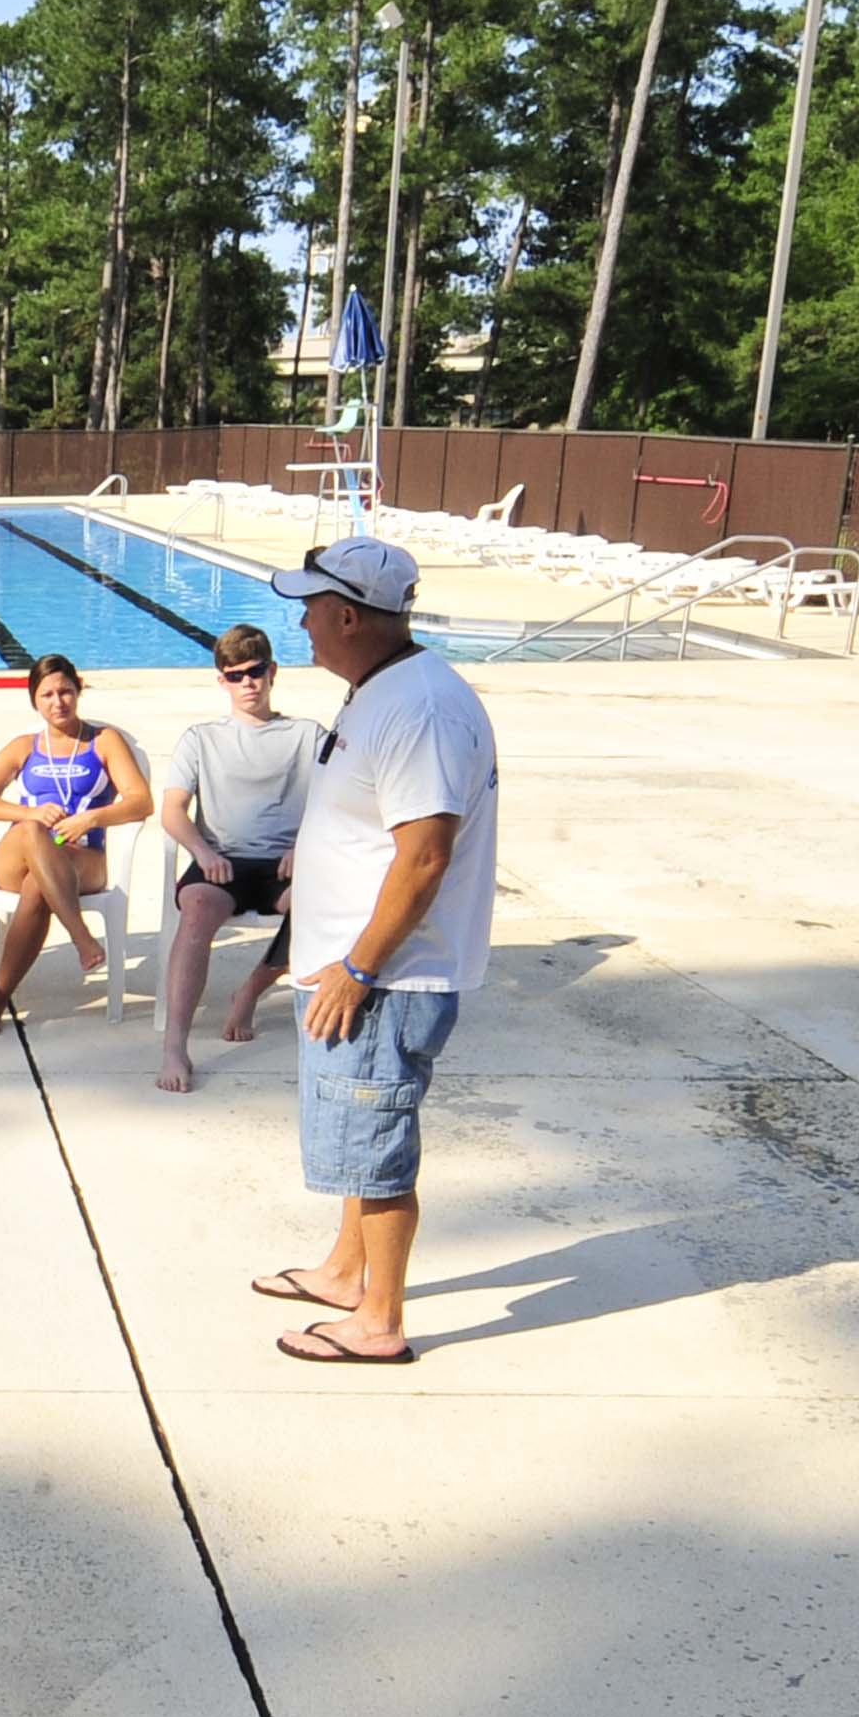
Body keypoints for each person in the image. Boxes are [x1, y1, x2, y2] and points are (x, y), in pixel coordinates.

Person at [255, 535, 499, 1366]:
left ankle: (379, 1321)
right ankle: (344, 1268)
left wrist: (359, 969)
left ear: (351, 615)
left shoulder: (420, 709)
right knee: (359, 1132)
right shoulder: (381, 687)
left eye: (312, 609)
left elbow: (426, 852)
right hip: (354, 969)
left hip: (387, 978)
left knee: (378, 1134)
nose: (303, 626)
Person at [0, 652, 154, 1038]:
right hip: (17, 855)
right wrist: (24, 812)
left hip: (83, 857)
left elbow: (140, 801)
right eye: (47, 695)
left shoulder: (103, 741)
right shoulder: (24, 746)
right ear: (35, 700)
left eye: (65, 691)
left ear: (78, 691)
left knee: (38, 886)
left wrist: (92, 817)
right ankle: (80, 935)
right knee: (32, 833)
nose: (58, 702)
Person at [150, 626, 312, 1092]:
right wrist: (202, 850)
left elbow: (335, 804)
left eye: (256, 671)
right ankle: (175, 1046)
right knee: (197, 911)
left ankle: (250, 992)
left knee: (318, 905)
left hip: (284, 863)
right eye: (236, 675)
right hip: (220, 860)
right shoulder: (201, 739)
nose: (248, 683)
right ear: (222, 681)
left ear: (272, 672)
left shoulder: (305, 735)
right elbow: (172, 810)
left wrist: (304, 846)